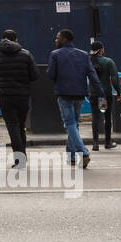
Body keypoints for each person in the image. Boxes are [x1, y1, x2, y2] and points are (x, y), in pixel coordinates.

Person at [47, 29, 103, 169]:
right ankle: (71, 156)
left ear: (64, 39)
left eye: (57, 38)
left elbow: (51, 75)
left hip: (64, 94)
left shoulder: (55, 54)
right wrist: (101, 92)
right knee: (74, 124)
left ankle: (83, 152)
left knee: (69, 124)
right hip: (79, 94)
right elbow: (92, 75)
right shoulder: (83, 55)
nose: (56, 40)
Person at [0, 29, 40, 167]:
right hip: (23, 96)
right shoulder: (26, 54)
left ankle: (19, 158)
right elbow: (35, 75)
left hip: (6, 96)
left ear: (2, 39)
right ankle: (22, 156)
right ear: (16, 40)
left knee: (12, 126)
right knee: (21, 126)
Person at [88, 40, 121, 151]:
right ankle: (107, 142)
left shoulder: (88, 61)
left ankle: (95, 143)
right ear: (101, 50)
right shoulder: (108, 62)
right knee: (106, 117)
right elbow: (115, 79)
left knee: (95, 117)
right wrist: (118, 92)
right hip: (104, 96)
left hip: (93, 94)